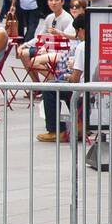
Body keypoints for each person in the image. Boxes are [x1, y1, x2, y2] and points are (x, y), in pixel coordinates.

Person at [38, 13, 86, 142]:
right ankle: (79, 125)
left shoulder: (82, 47)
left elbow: (75, 79)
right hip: (94, 90)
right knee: (58, 82)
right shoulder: (99, 43)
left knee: (49, 89)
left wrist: (67, 76)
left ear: (81, 30)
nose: (77, 36)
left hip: (82, 91)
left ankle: (55, 130)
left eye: (77, 33)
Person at [18, 0, 75, 80]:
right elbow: (40, 36)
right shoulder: (49, 17)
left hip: (61, 52)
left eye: (56, 0)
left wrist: (46, 47)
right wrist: (24, 45)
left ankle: (53, 82)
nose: (53, 3)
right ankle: (36, 85)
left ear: (62, 2)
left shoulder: (67, 19)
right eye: (51, 0)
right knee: (23, 53)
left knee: (34, 61)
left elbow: (67, 41)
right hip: (48, 49)